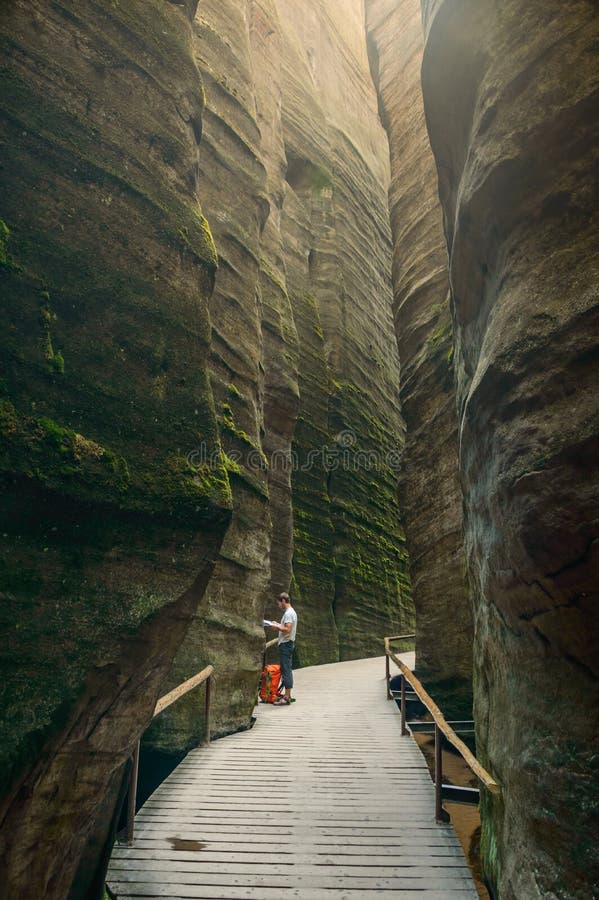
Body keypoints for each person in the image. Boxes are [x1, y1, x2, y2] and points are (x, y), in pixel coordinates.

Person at [269, 592, 297, 705]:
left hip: (286, 645)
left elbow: (287, 629)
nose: (279, 605)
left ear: (283, 601)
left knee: (286, 670)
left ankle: (286, 697)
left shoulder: (289, 613)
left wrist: (276, 627)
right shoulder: (291, 612)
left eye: (279, 603)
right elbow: (285, 627)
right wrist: (277, 624)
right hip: (287, 644)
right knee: (287, 669)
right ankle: (288, 696)